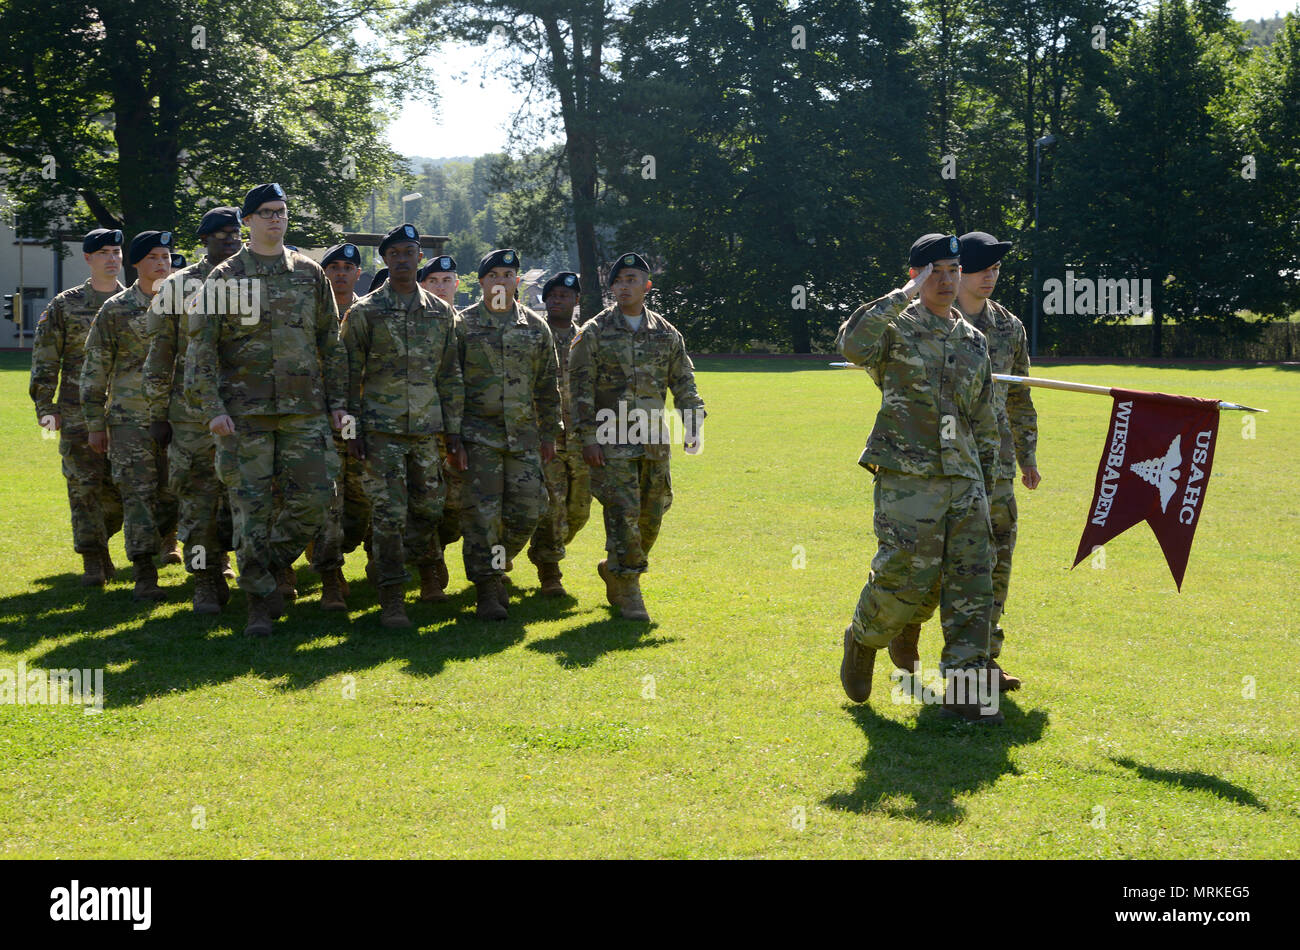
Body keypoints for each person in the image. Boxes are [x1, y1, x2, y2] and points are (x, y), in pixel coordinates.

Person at [835, 233, 1003, 723]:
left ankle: (967, 690)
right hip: (908, 477)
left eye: (953, 270)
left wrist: (989, 482)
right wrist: (904, 295)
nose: (947, 280)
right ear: (916, 275)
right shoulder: (894, 329)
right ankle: (864, 637)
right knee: (903, 574)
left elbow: (984, 417)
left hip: (964, 478)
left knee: (972, 583)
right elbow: (851, 344)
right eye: (936, 271)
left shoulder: (973, 340)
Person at [185, 182, 348, 636]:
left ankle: (266, 567)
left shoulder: (309, 273)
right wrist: (212, 408)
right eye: (266, 212)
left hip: (304, 412)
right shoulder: (225, 277)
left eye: (281, 211)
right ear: (248, 221)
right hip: (245, 415)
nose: (276, 218)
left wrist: (339, 405)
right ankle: (259, 602)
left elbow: (330, 344)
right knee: (250, 509)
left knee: (317, 498)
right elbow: (201, 351)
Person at [887, 232, 1041, 692]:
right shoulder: (926, 322)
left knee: (993, 561)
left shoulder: (1010, 327)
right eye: (980, 269)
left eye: (996, 269)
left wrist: (1028, 455)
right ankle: (907, 626)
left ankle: (982, 659)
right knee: (934, 560)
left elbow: (1020, 397)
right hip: (940, 464)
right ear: (953, 274)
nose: (990, 276)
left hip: (996, 467)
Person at [568, 252, 706, 622]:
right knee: (622, 514)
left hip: (654, 440)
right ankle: (629, 588)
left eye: (633, 279)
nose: (625, 285)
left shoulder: (665, 333)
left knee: (653, 515)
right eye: (620, 280)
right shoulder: (594, 332)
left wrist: (693, 421)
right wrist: (587, 439)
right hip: (611, 439)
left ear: (647, 287)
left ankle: (615, 567)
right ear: (612, 288)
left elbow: (683, 381)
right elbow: (579, 390)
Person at [342, 225, 464, 626]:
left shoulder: (441, 312)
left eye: (409, 252)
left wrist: (454, 432)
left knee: (429, 509)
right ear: (385, 260)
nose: (402, 259)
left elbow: (450, 375)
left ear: (419, 258)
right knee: (389, 515)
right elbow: (347, 376)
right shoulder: (365, 313)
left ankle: (416, 567)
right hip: (381, 432)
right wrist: (352, 431)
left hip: (428, 431)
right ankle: (392, 595)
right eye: (394, 253)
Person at [143, 206, 242, 614]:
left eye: (236, 233)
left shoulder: (255, 279)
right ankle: (204, 578)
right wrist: (157, 412)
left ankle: (251, 570)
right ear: (204, 239)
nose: (230, 240)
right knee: (198, 502)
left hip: (246, 411)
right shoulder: (178, 286)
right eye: (220, 234)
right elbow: (160, 353)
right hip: (191, 416)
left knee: (245, 498)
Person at [456, 248, 560, 619]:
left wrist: (550, 433)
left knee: (528, 511)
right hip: (477, 437)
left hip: (523, 439)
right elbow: (450, 385)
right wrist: (454, 438)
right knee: (481, 517)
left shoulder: (535, 327)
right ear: (482, 282)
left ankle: (497, 567)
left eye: (508, 274)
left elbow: (548, 386)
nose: (501, 280)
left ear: (517, 281)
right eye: (494, 274)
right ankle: (487, 587)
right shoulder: (462, 326)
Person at [80, 230, 182, 600]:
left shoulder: (188, 305)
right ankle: (144, 574)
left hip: (179, 420)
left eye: (166, 257)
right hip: (130, 421)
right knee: (137, 496)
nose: (162, 264)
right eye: (153, 257)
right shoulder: (117, 309)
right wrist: (95, 424)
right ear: (137, 262)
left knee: (174, 495)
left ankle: (172, 551)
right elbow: (94, 371)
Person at [29, 228, 125, 586]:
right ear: (88, 258)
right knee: (83, 488)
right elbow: (44, 359)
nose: (111, 258)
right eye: (103, 252)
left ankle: (101, 545)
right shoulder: (64, 305)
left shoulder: (133, 302)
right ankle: (93, 559)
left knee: (121, 492)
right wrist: (45, 406)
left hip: (124, 413)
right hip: (75, 413)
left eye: (116, 251)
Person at [309, 241, 371, 608]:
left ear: (358, 274)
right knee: (327, 502)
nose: (341, 274)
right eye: (333, 268)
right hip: (317, 422)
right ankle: (331, 577)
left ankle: (337, 553)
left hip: (357, 423)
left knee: (360, 503)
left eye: (348, 268)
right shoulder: (313, 313)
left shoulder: (367, 314)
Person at [526, 271, 591, 596]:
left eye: (564, 295)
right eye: (552, 295)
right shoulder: (534, 336)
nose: (557, 300)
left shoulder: (587, 339)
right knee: (553, 504)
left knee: (578, 510)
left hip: (581, 440)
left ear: (576, 301)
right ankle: (550, 572)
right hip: (545, 436)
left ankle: (540, 546)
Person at [418, 254, 462, 599]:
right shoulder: (418, 326)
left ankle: (493, 565)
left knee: (459, 505)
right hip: (426, 430)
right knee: (428, 501)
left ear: (457, 285)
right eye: (433, 281)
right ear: (423, 285)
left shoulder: (474, 324)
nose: (441, 287)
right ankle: (430, 568)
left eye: (446, 281)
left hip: (466, 432)